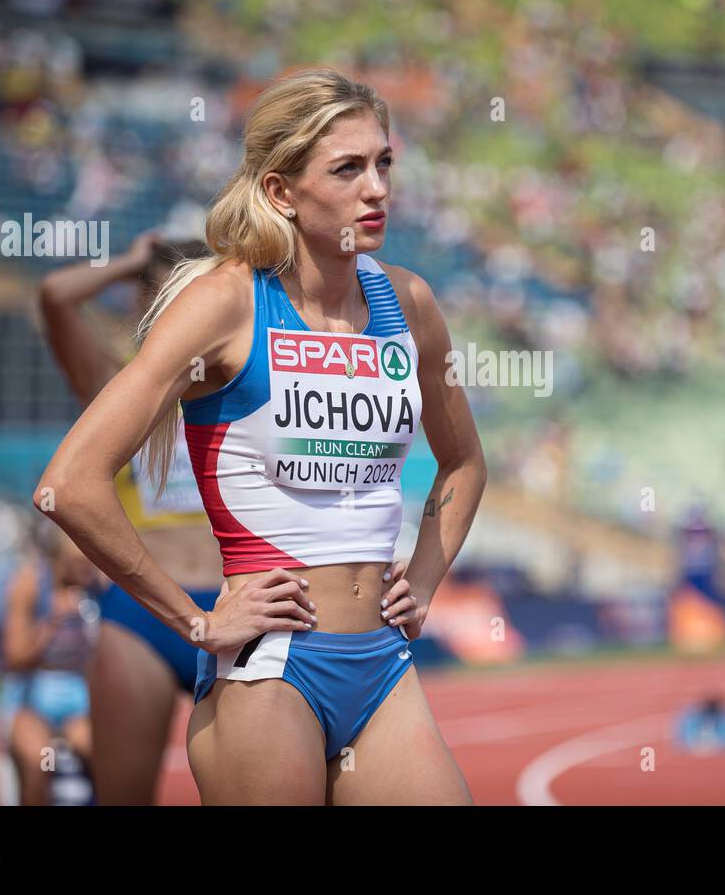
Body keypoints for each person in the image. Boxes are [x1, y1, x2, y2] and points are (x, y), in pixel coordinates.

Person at [34, 67, 487, 805]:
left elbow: (464, 464)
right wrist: (196, 618)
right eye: (347, 169)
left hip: (384, 664)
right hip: (271, 670)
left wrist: (427, 579)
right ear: (280, 192)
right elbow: (68, 483)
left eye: (384, 163)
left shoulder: (411, 302)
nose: (376, 188)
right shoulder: (225, 303)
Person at [38, 232, 224, 804]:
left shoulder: (244, 380)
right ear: (141, 303)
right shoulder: (116, 388)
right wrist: (131, 263)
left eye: (188, 294)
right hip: (140, 613)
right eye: (158, 295)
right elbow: (54, 294)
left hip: (233, 606)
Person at [0, 520, 102, 805]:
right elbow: (13, 658)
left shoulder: (96, 585)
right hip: (30, 701)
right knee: (38, 760)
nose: (86, 571)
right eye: (79, 563)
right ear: (59, 556)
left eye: (89, 563)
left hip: (79, 699)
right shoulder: (29, 583)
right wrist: (52, 622)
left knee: (104, 755)